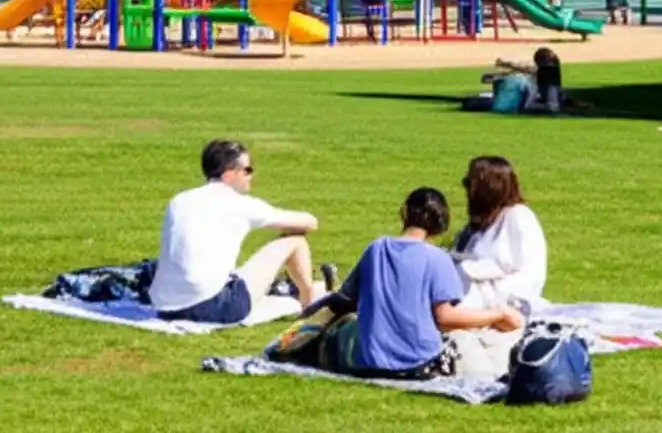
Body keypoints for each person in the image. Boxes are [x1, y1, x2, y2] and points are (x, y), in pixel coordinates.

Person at [318, 188, 524, 379]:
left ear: (404, 212)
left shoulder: (376, 249)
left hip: (370, 360)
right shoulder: (437, 259)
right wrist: (499, 314)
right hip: (417, 362)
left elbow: (346, 299)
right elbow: (445, 317)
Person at [149, 140, 330, 324]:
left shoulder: (179, 201)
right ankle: (309, 303)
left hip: (165, 307)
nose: (251, 175)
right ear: (229, 174)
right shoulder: (241, 205)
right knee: (295, 241)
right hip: (212, 306)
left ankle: (302, 295)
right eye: (247, 170)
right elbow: (310, 223)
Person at [451, 156, 548, 309]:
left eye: (469, 184)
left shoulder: (518, 217)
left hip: (505, 303)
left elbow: (523, 272)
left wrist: (470, 271)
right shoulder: (478, 224)